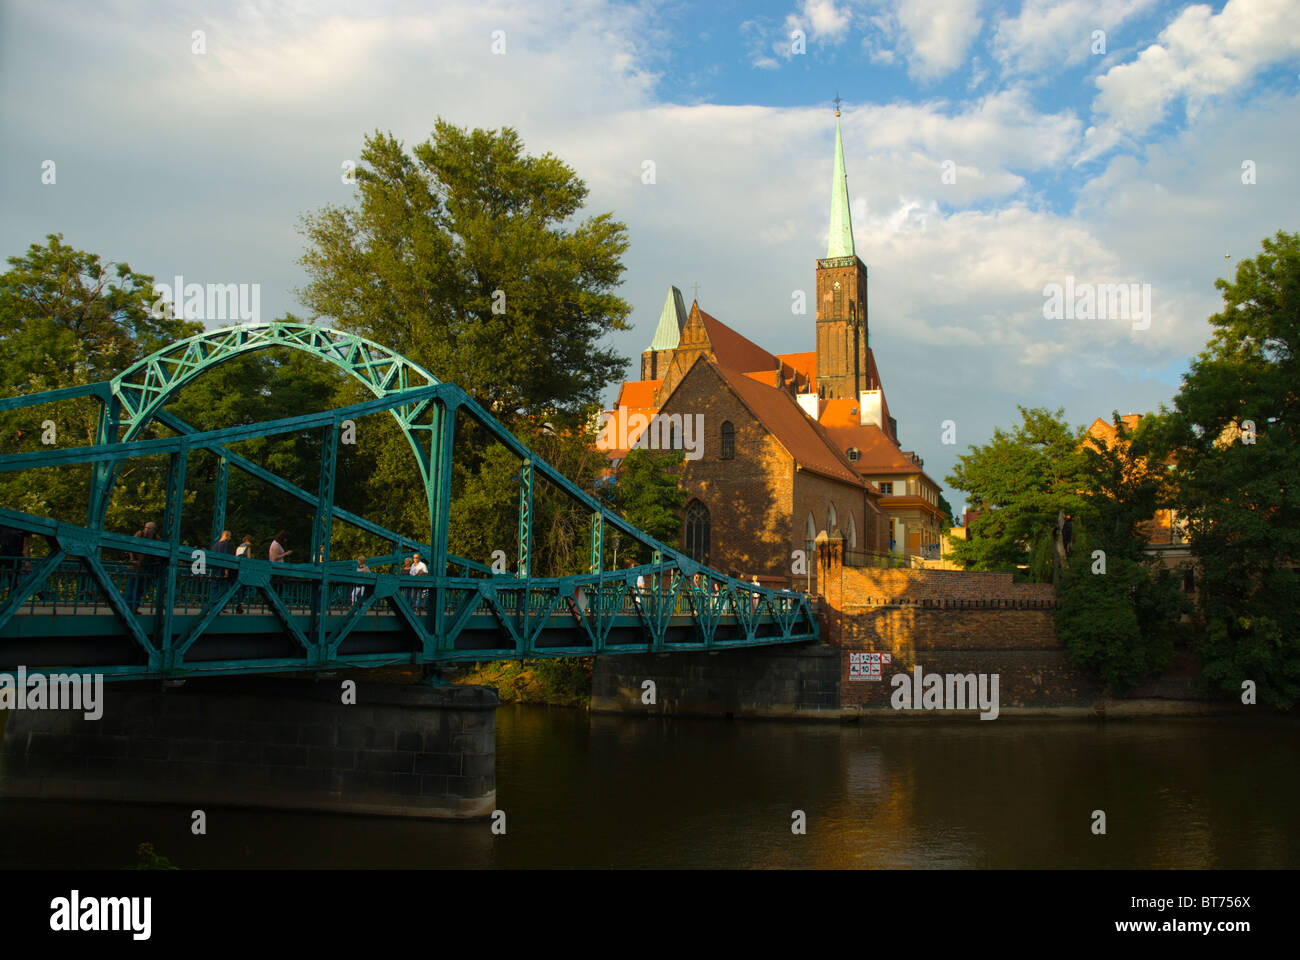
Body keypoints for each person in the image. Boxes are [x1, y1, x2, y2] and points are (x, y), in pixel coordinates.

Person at [125, 521, 163, 614]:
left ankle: (134, 608)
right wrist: (133, 560)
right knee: (132, 588)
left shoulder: (156, 539)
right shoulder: (139, 535)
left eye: (149, 528)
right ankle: (128, 609)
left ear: (154, 530)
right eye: (146, 527)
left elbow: (158, 552)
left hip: (146, 568)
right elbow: (132, 547)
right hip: (135, 567)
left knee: (140, 589)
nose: (147, 530)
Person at [234, 535, 254, 613]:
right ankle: (240, 604)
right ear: (248, 541)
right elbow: (249, 559)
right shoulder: (247, 547)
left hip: (238, 569)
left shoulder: (239, 547)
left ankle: (239, 604)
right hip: (245, 569)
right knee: (244, 587)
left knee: (239, 587)